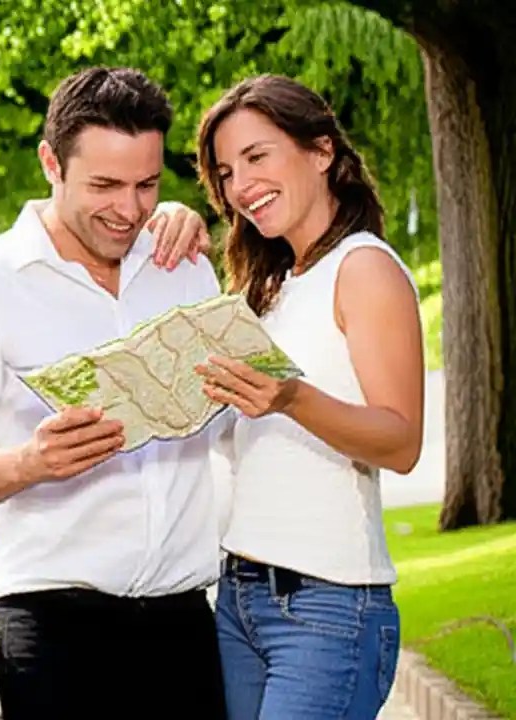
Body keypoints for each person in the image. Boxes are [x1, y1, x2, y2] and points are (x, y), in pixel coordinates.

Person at [0, 66, 228, 719]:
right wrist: (31, 463)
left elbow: (223, 423)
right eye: (104, 185)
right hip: (53, 630)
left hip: (183, 622)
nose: (129, 209)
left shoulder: (182, 265)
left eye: (147, 184)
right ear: (50, 162)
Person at [193, 74, 425, 719]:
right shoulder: (270, 289)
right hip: (239, 595)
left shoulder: (364, 268)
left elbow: (401, 440)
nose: (241, 186)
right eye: (225, 172)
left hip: (326, 607)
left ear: (321, 151)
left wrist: (292, 398)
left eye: (258, 157)